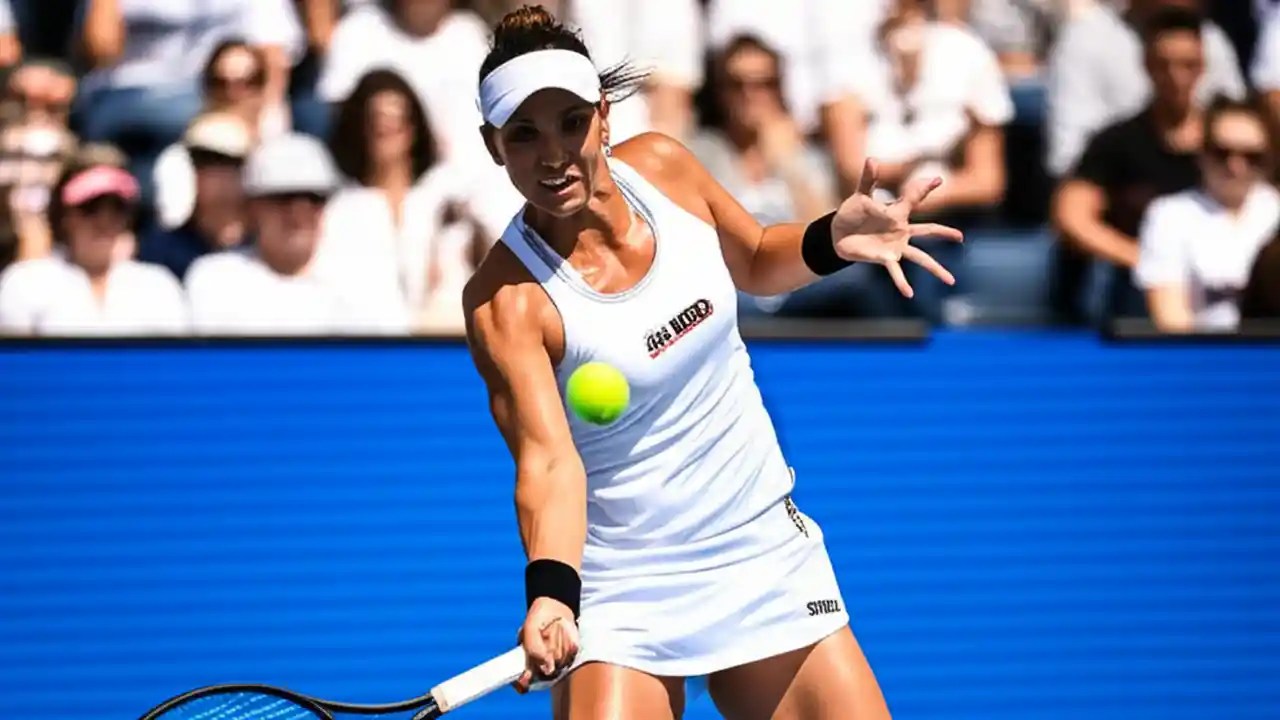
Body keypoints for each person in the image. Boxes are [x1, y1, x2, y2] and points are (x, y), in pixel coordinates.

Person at [462, 6, 962, 719]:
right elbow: (547, 462)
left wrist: (829, 240)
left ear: (604, 116)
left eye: (572, 123)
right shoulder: (504, 302)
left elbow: (755, 258)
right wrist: (552, 591)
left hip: (759, 550)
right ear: (492, 145)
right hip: (626, 587)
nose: (553, 155)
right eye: (524, 134)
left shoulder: (664, 166)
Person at [1136, 98, 1279, 333]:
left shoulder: (1275, 211)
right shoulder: (1169, 216)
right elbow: (1171, 320)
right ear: (1201, 154)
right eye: (1222, 153)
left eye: (1252, 156)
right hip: (1202, 358)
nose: (1236, 166)